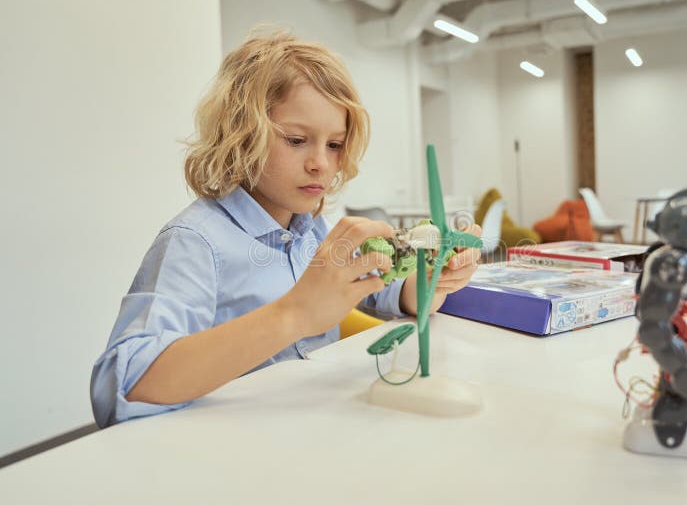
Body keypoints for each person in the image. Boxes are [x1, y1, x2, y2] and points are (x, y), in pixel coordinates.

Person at [90, 30, 481, 427]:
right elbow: (125, 385)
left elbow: (388, 293)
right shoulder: (196, 242)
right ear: (241, 136)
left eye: (334, 145)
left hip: (309, 431)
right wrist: (292, 315)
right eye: (296, 140)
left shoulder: (310, 230)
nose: (321, 164)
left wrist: (432, 281)